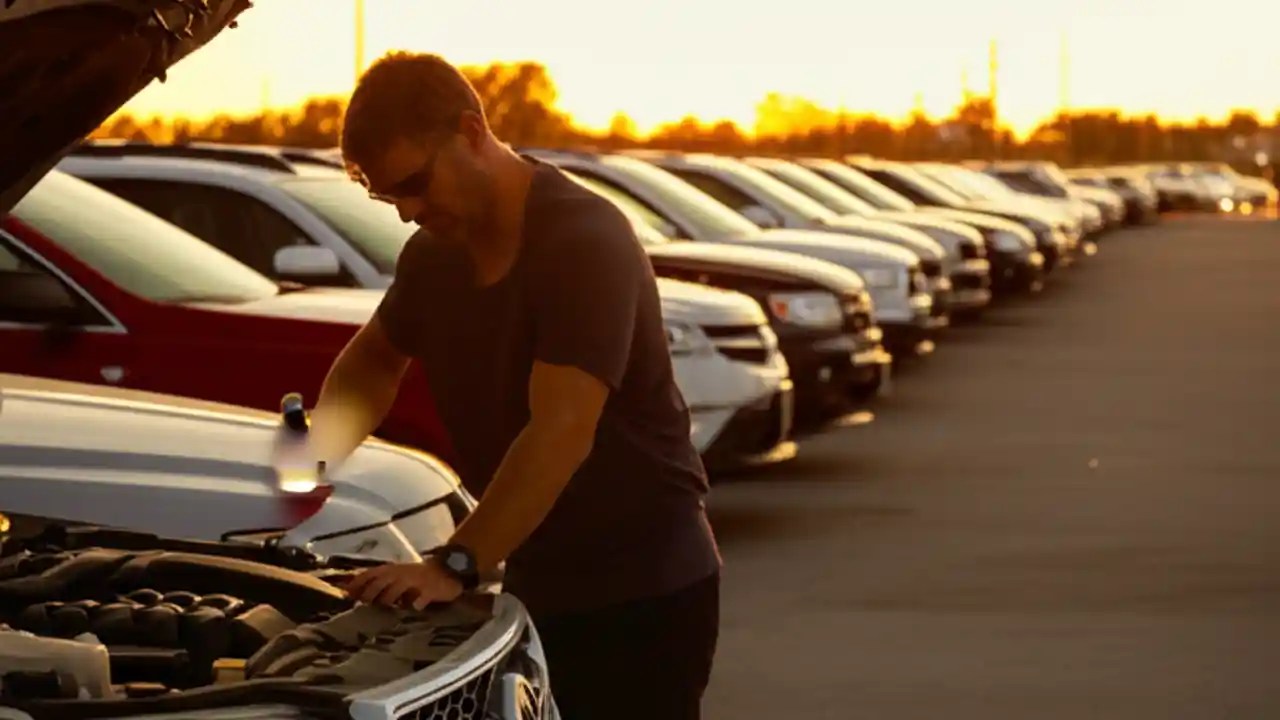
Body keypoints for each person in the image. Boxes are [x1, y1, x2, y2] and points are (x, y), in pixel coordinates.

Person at [293, 51, 721, 719]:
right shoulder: (434, 257)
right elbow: (375, 361)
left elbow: (561, 430)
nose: (407, 211)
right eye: (386, 196)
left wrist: (454, 564)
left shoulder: (583, 240)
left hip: (642, 590)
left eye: (415, 183)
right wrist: (312, 456)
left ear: (470, 131)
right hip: (536, 584)